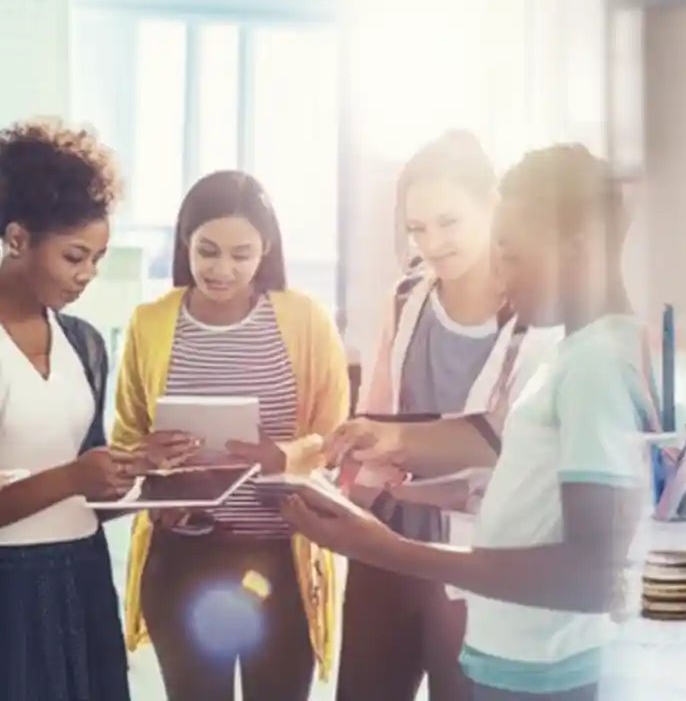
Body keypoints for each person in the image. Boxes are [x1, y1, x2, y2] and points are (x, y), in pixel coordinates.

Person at [286, 144, 646, 700]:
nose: (432, 244)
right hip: (495, 625)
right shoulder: (568, 351)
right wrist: (381, 487)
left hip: (509, 620)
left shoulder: (576, 352)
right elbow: (524, 475)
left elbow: (588, 567)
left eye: (510, 253)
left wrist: (386, 544)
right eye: (416, 228)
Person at [331, 129, 560, 701]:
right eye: (417, 227)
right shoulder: (409, 294)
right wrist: (337, 492)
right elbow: (380, 411)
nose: (432, 241)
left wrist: (386, 440)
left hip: (478, 548)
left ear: (493, 207)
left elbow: (501, 441)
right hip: (390, 535)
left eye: (448, 221)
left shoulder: (536, 315)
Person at [111, 170, 349, 701]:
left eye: (242, 254)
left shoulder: (305, 319)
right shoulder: (149, 323)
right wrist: (148, 462)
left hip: (279, 561)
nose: (222, 269)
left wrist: (283, 456)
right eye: (207, 251)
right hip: (182, 557)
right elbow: (125, 438)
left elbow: (335, 437)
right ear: (184, 244)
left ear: (266, 249)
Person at [0, 118, 137, 701]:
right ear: (17, 239)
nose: (86, 277)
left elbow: (88, 488)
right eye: (74, 257)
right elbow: (70, 477)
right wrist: (77, 477)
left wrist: (136, 476)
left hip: (81, 577)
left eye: (98, 260)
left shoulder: (85, 344)